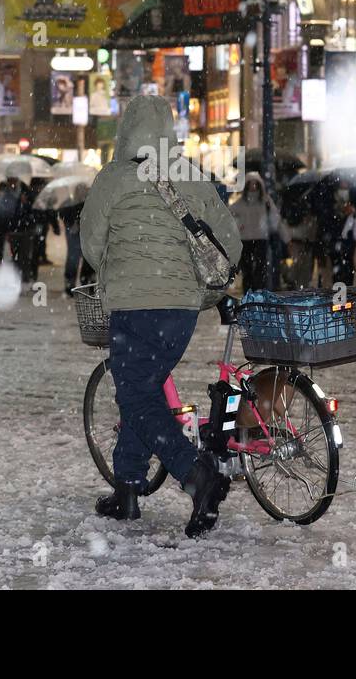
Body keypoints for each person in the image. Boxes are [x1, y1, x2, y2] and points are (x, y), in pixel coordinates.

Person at [81, 95, 242, 538]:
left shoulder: (113, 178)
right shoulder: (191, 175)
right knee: (146, 391)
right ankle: (128, 488)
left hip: (134, 306)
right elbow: (230, 241)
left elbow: (92, 245)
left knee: (134, 396)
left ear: (126, 130)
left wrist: (118, 260)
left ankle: (197, 476)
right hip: (182, 310)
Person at [230, 172, 280, 291]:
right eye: (250, 184)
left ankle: (256, 291)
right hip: (246, 239)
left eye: (255, 184)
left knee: (260, 269)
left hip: (260, 238)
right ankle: (251, 291)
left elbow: (274, 216)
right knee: (248, 270)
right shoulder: (241, 203)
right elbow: (230, 215)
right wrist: (238, 227)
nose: (253, 187)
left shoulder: (265, 201)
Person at [59, 200, 94, 295]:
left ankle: (85, 282)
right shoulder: (69, 202)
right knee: (74, 258)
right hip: (75, 232)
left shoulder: (88, 201)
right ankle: (74, 283)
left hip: (85, 232)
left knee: (84, 258)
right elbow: (62, 213)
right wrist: (72, 222)